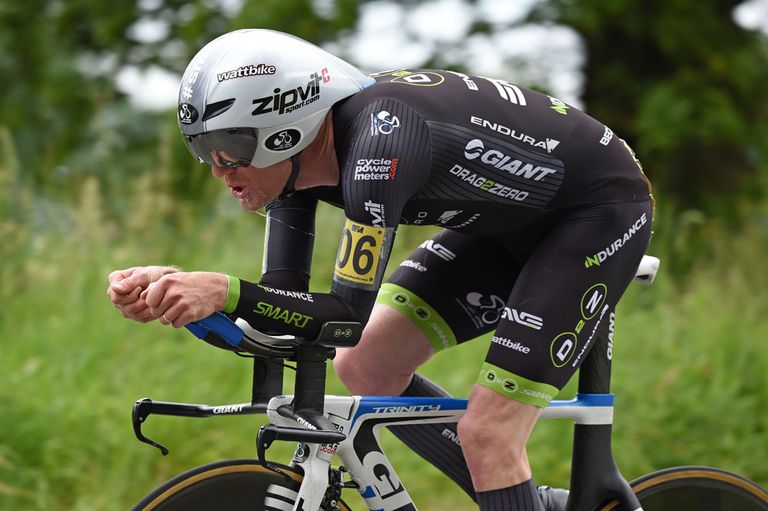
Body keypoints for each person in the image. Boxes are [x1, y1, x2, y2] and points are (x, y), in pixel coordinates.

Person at [107, 29, 654, 511]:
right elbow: (283, 305)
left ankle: (507, 486)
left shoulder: (379, 145)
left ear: (285, 128)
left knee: (490, 435)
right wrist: (183, 288)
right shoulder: (297, 171)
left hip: (596, 217)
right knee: (366, 365)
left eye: (231, 147)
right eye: (204, 150)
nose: (219, 170)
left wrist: (223, 290)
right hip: (503, 227)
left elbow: (345, 313)